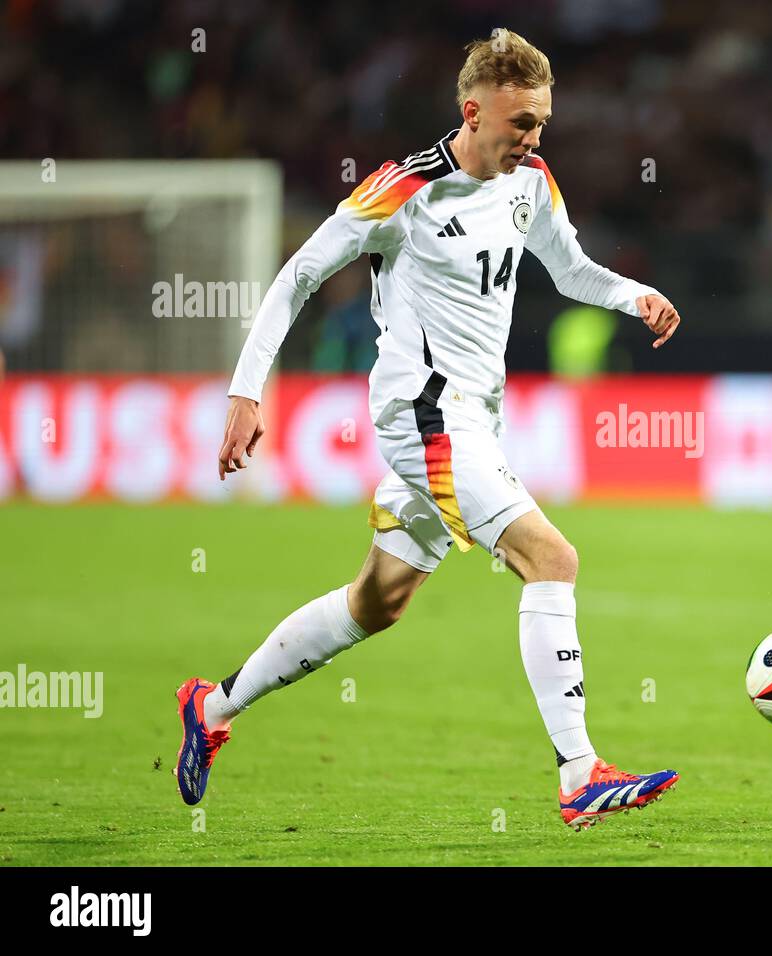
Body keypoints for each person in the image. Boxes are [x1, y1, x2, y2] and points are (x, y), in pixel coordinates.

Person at [178, 30, 682, 830]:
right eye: (520, 123)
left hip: (475, 420)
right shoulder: (405, 190)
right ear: (472, 111)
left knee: (377, 602)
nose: (534, 138)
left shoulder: (532, 182)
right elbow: (301, 273)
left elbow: (572, 267)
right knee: (551, 557)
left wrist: (635, 296)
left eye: (542, 123)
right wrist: (247, 392)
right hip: (423, 420)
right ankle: (579, 773)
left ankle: (212, 704)